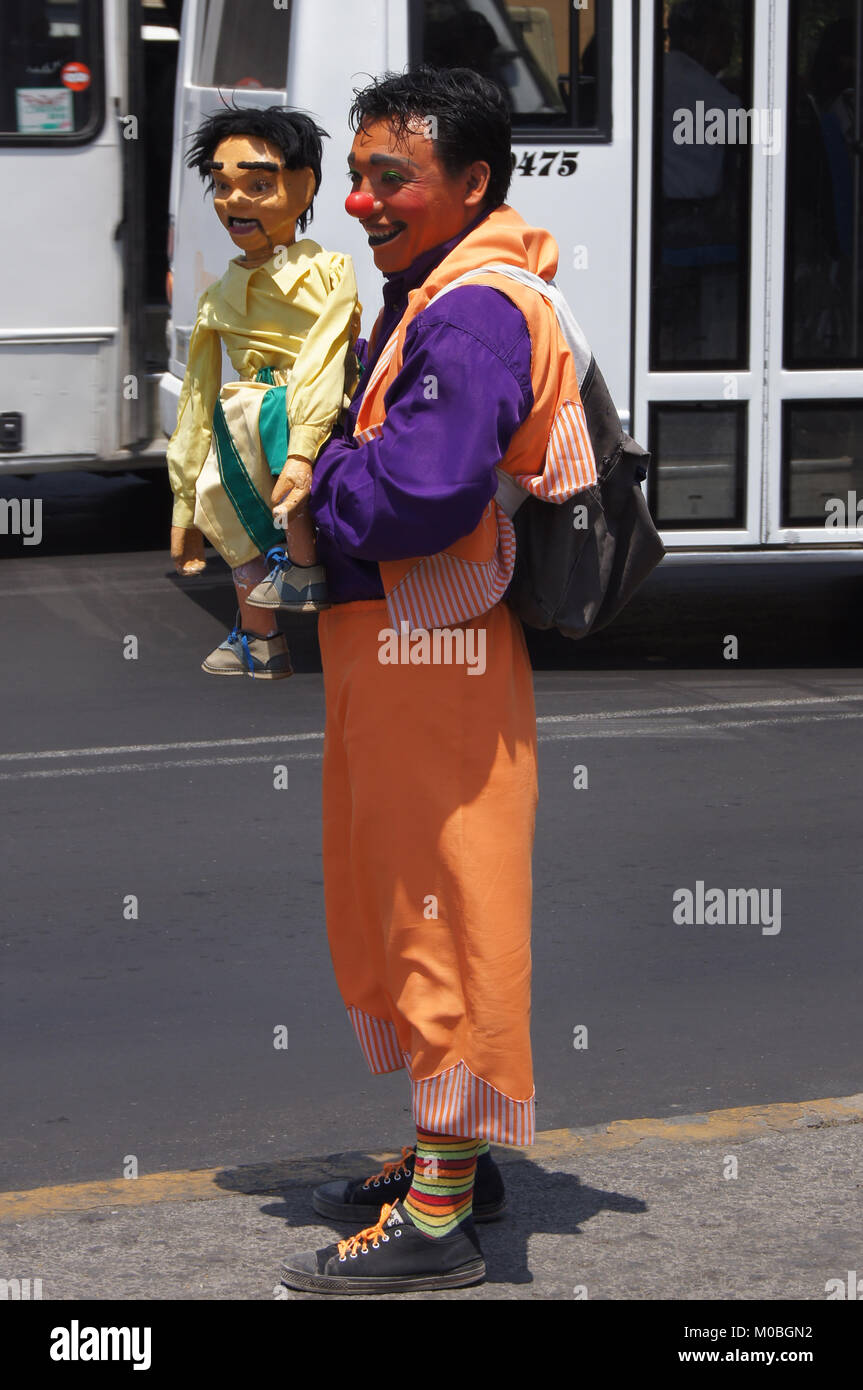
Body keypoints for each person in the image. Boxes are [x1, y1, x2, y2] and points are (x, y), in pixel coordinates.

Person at [277, 66, 597, 1294]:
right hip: (413, 649)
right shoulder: (443, 290)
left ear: (469, 185)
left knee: (437, 918)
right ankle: (442, 1152)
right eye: (354, 175)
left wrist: (324, 480)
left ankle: (437, 1221)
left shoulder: (465, 312)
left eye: (385, 177)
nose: (357, 200)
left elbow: (423, 491)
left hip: (429, 654)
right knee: (409, 903)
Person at [166, 105, 359, 678]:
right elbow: (196, 401)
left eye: (257, 184)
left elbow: (327, 359)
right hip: (239, 434)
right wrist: (183, 503)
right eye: (222, 186)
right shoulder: (216, 295)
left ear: (305, 187)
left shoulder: (329, 272)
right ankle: (260, 637)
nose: (234, 202)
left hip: (298, 422)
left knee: (274, 454)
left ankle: (304, 570)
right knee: (227, 517)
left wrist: (301, 449)